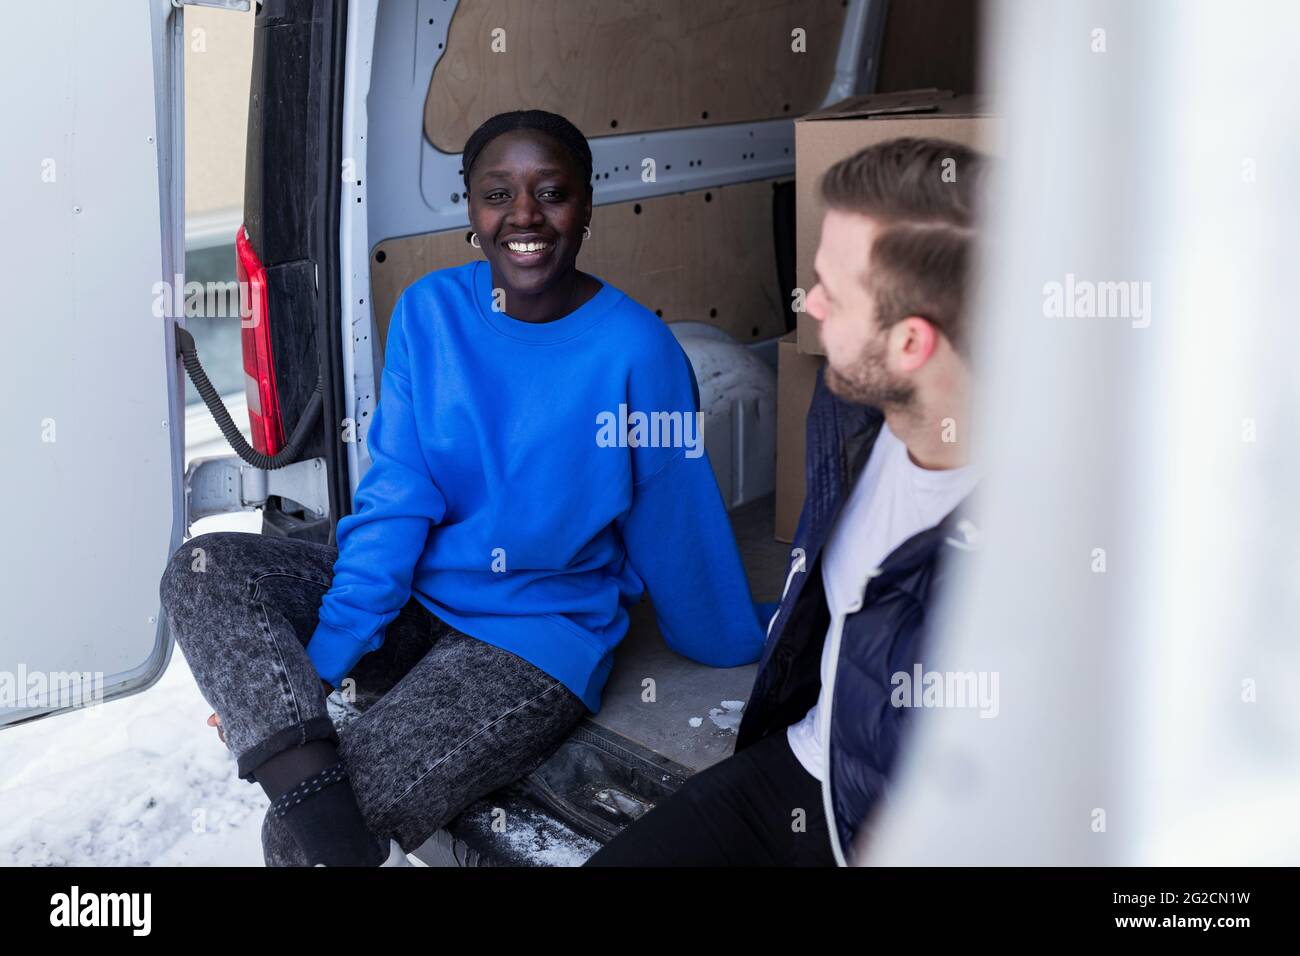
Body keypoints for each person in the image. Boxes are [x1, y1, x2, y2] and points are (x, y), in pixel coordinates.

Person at [159, 109, 767, 867]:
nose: (524, 216)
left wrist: (742, 635)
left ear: (587, 207)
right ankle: (313, 793)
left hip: (532, 639)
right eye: (497, 193)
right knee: (203, 568)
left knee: (295, 835)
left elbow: (675, 520)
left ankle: (316, 818)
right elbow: (399, 497)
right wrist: (319, 667)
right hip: (418, 600)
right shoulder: (430, 311)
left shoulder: (638, 351)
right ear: (471, 211)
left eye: (551, 193)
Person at [585, 137, 989, 866]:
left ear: (910, 344)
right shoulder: (856, 417)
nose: (811, 302)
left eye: (833, 291)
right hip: (810, 768)